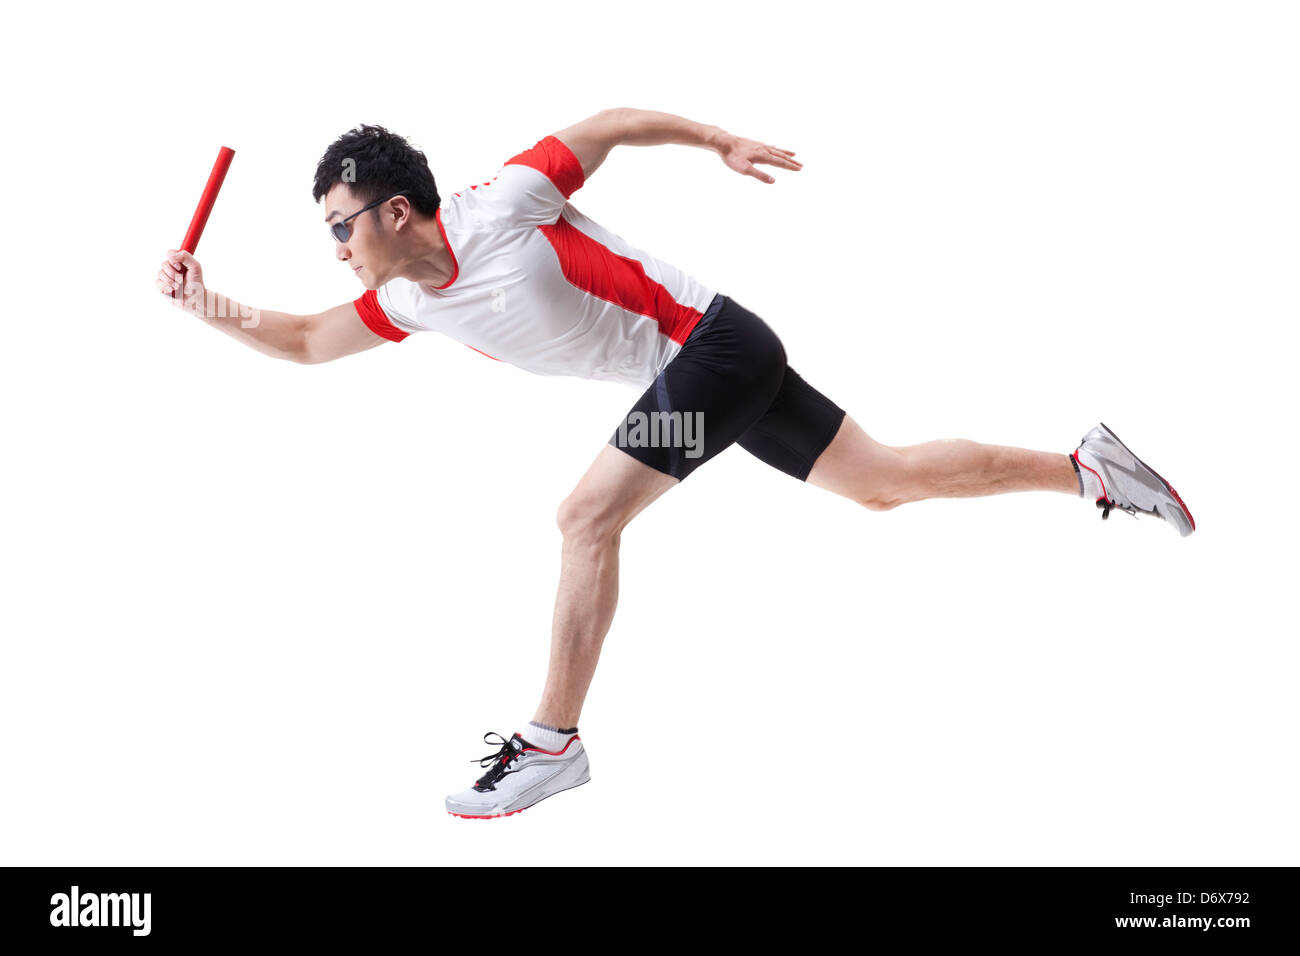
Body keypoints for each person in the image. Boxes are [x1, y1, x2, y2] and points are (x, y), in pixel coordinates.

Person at [156, 108, 1195, 819]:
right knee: (882, 480)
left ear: (395, 210)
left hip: (716, 346)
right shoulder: (408, 301)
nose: (336, 248)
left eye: (342, 226)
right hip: (703, 371)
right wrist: (206, 303)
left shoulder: (501, 202)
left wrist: (716, 141)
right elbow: (297, 340)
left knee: (583, 518)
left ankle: (552, 741)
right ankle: (1088, 467)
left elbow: (603, 125)